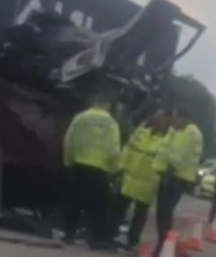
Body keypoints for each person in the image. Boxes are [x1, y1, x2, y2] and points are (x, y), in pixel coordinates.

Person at [62, 88, 121, 249]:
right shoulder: (111, 123)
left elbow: (69, 140)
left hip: (80, 165)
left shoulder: (81, 118)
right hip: (100, 169)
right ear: (108, 105)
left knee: (75, 202)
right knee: (99, 206)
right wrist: (113, 169)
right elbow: (114, 149)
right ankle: (95, 239)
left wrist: (68, 163)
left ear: (95, 101)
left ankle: (69, 234)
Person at [152, 105, 204, 257]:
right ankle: (164, 244)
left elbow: (177, 155)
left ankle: (164, 245)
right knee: (162, 212)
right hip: (168, 174)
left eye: (176, 117)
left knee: (165, 212)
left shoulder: (190, 133)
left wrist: (168, 172)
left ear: (185, 118)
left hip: (176, 176)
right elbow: (166, 150)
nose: (173, 120)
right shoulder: (177, 130)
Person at [116, 109, 170, 250]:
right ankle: (111, 234)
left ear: (166, 123)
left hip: (148, 183)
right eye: (155, 118)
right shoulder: (141, 132)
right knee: (119, 208)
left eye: (161, 120)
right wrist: (120, 167)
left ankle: (132, 241)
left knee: (139, 214)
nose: (156, 122)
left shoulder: (167, 140)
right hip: (129, 177)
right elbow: (128, 149)